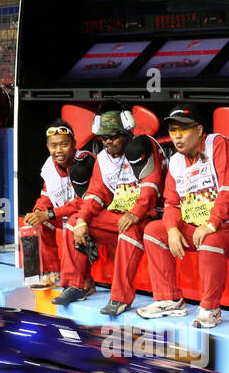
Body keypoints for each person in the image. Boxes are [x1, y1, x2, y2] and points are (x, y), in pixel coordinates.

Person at [138, 104, 229, 330]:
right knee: (154, 231)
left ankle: (210, 308)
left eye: (183, 130)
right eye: (173, 131)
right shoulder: (176, 161)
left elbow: (228, 190)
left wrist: (212, 224)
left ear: (200, 130)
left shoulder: (218, 144)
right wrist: (173, 229)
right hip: (198, 224)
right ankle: (169, 299)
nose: (177, 136)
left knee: (209, 239)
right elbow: (172, 203)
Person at [56, 102, 163, 316]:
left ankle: (119, 298)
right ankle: (78, 285)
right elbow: (96, 194)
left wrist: (135, 214)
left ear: (126, 131)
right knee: (75, 223)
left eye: (113, 137)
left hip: (148, 216)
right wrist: (84, 220)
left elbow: (152, 188)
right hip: (119, 215)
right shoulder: (103, 159)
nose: (107, 142)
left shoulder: (142, 147)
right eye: (103, 138)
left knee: (130, 231)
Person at [21, 119, 93, 286]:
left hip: (88, 215)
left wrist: (49, 213)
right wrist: (38, 211)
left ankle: (81, 280)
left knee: (71, 222)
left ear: (74, 144)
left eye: (64, 144)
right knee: (38, 223)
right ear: (48, 147)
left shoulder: (85, 161)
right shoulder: (50, 167)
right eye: (53, 146)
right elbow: (46, 195)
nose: (58, 150)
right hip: (65, 214)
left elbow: (84, 202)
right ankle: (50, 273)